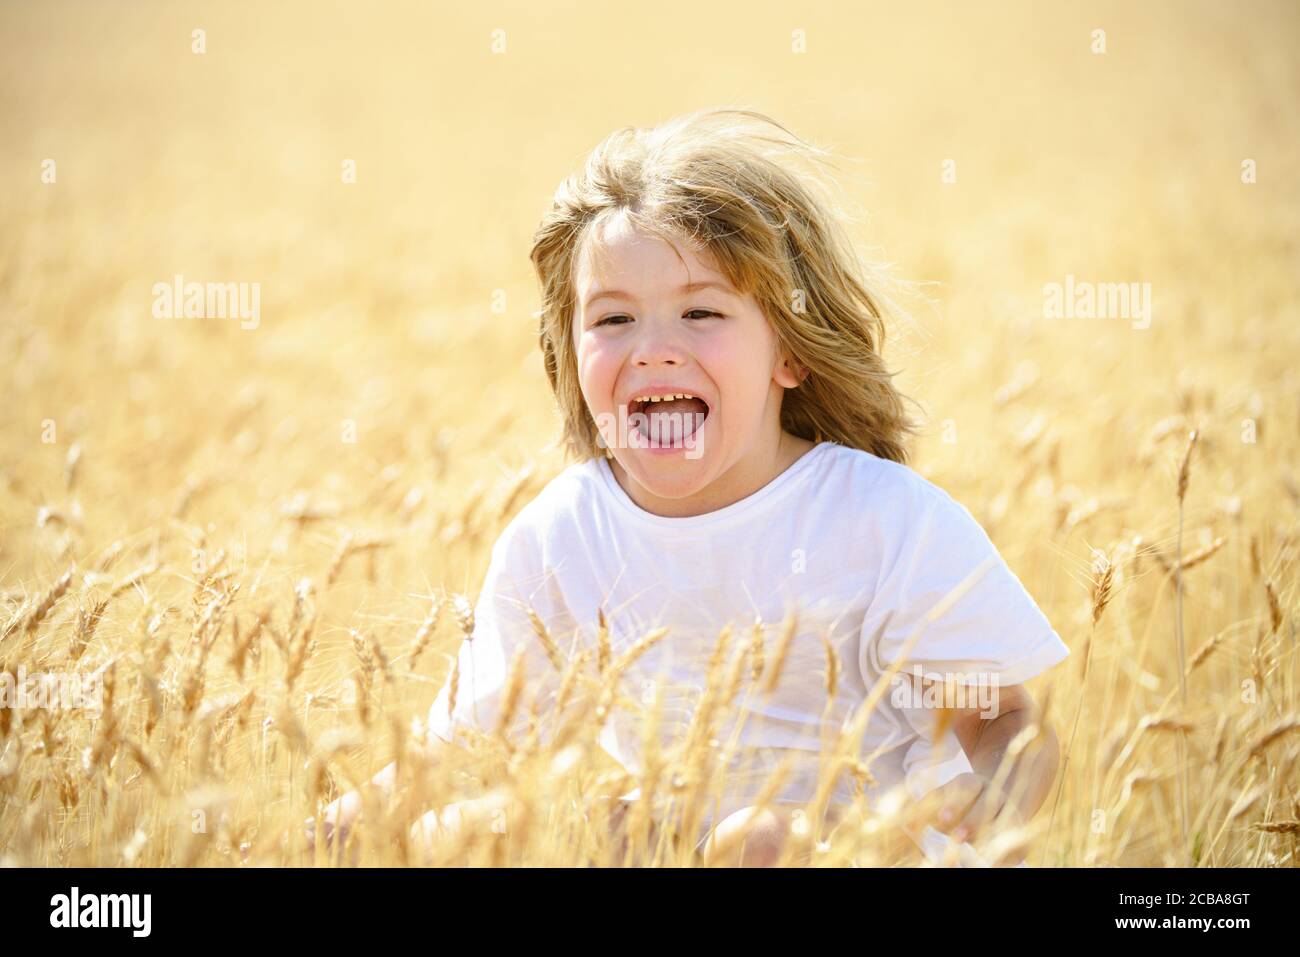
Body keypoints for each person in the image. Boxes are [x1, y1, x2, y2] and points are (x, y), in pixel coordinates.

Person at [308, 108, 1069, 867]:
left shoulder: (880, 517)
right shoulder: (563, 534)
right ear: (570, 352)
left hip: (874, 851)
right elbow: (470, 740)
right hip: (676, 843)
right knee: (487, 829)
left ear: (791, 353)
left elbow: (1007, 720)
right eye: (613, 319)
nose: (655, 350)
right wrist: (338, 828)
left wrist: (992, 810)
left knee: (759, 842)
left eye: (701, 311)